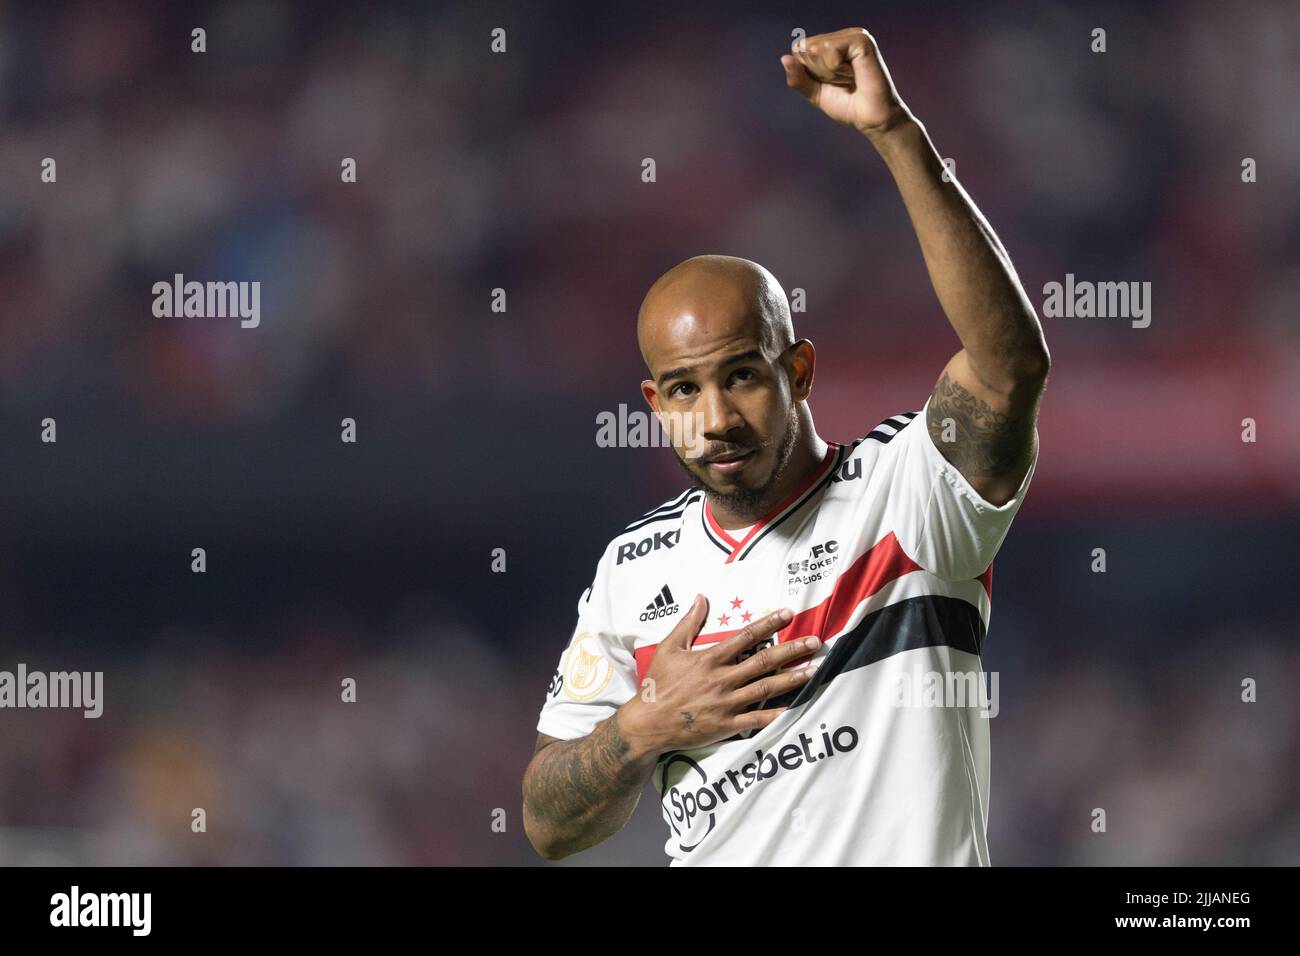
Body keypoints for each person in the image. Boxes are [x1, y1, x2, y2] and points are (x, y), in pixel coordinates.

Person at [522, 27, 1050, 865]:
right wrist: (643, 727)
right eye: (687, 390)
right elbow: (549, 824)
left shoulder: (904, 490)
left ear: (798, 370)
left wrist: (895, 135)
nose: (719, 416)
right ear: (656, 405)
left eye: (743, 375)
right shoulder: (633, 568)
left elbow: (1008, 367)